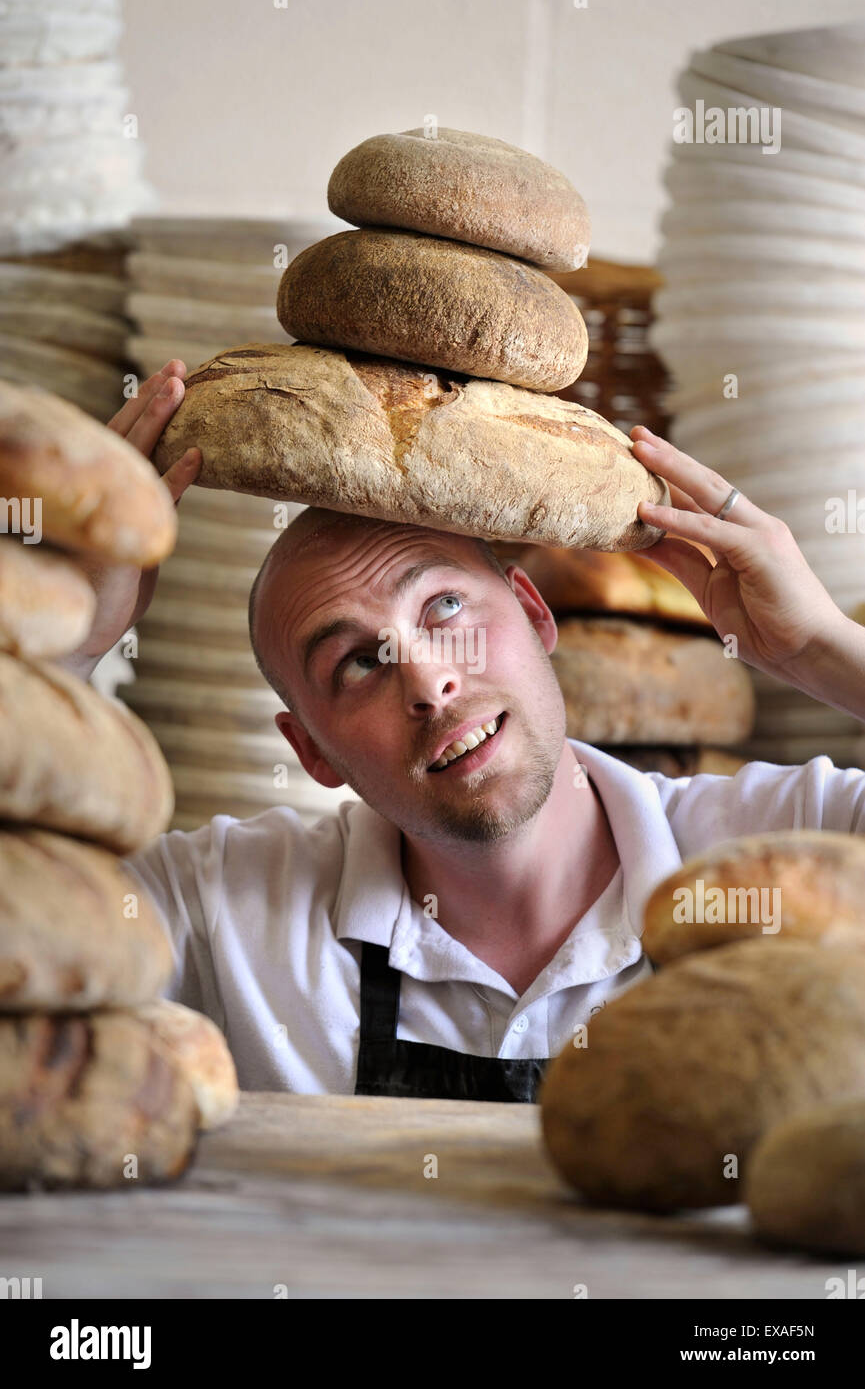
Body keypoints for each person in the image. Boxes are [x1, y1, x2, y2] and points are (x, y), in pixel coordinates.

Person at [62, 360, 865, 1102]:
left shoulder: (793, 847)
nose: (427, 680)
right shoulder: (224, 912)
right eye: (355, 663)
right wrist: (63, 651)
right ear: (311, 751)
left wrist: (820, 650)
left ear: (533, 611)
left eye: (445, 609)